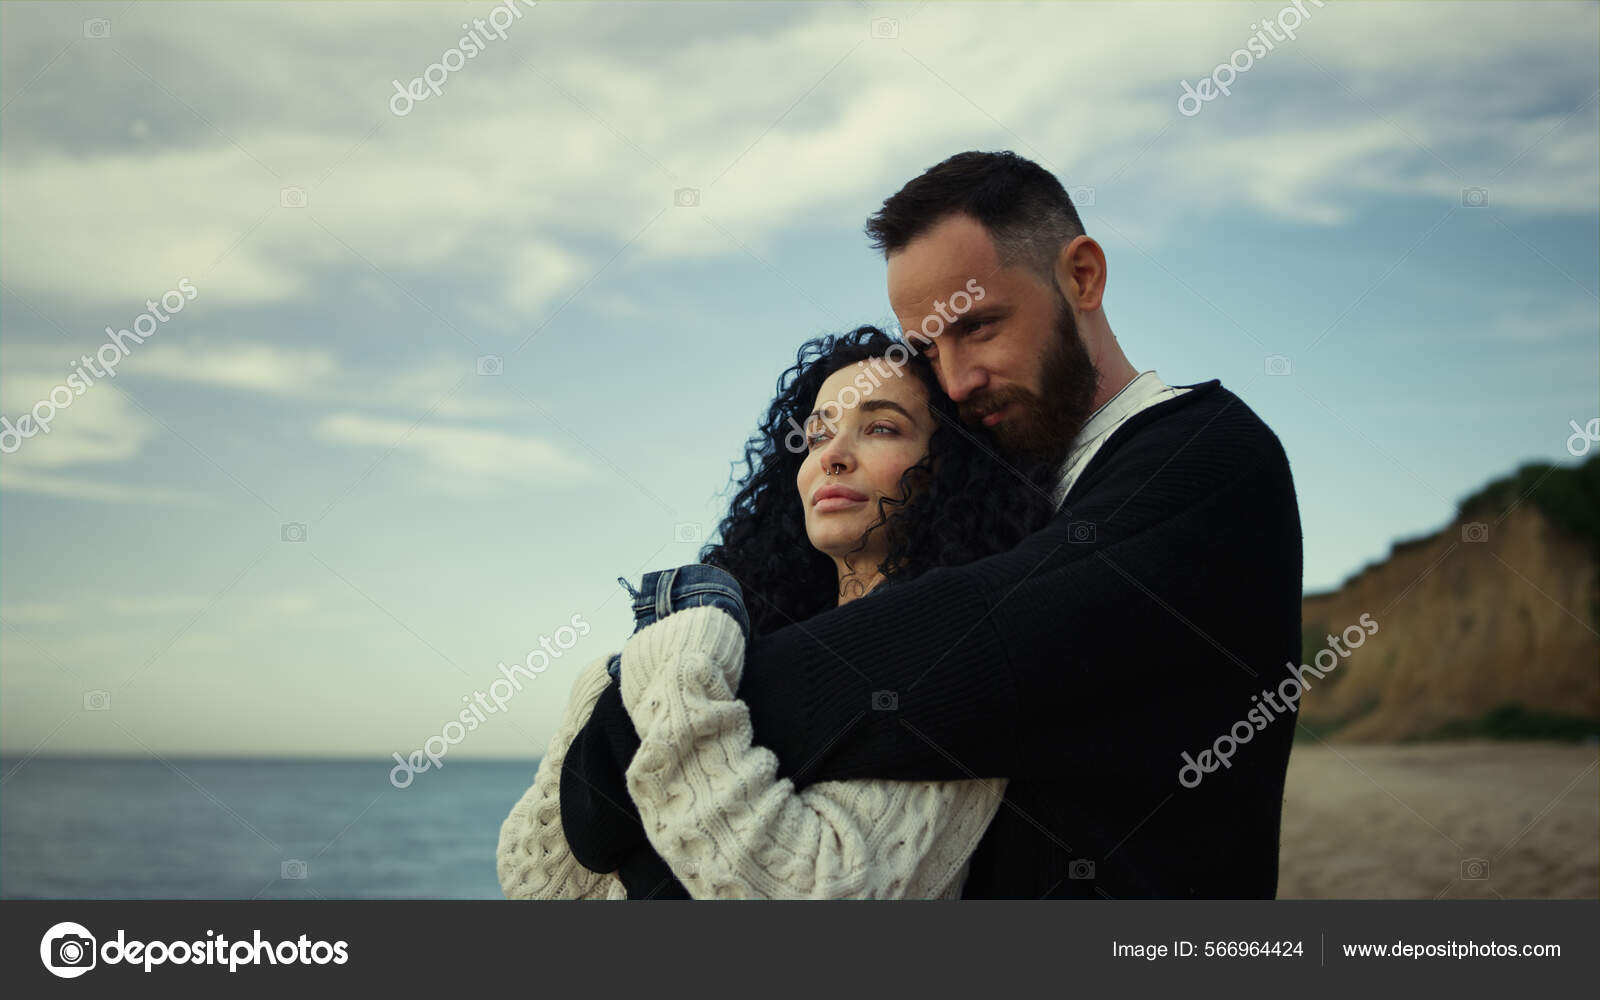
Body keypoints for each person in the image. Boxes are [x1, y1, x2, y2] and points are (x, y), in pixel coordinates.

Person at [556, 149, 1305, 899]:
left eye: (978, 327)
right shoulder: (1018, 497)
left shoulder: (1209, 462)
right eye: (927, 348)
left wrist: (634, 724)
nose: (954, 380)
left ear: (1081, 277)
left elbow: (968, 643)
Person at [497, 326, 1058, 898]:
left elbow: (820, 892)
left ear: (953, 466)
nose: (833, 457)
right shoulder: (733, 647)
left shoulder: (955, 657)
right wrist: (605, 688)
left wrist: (672, 669)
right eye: (816, 437)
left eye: (881, 427)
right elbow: (537, 882)